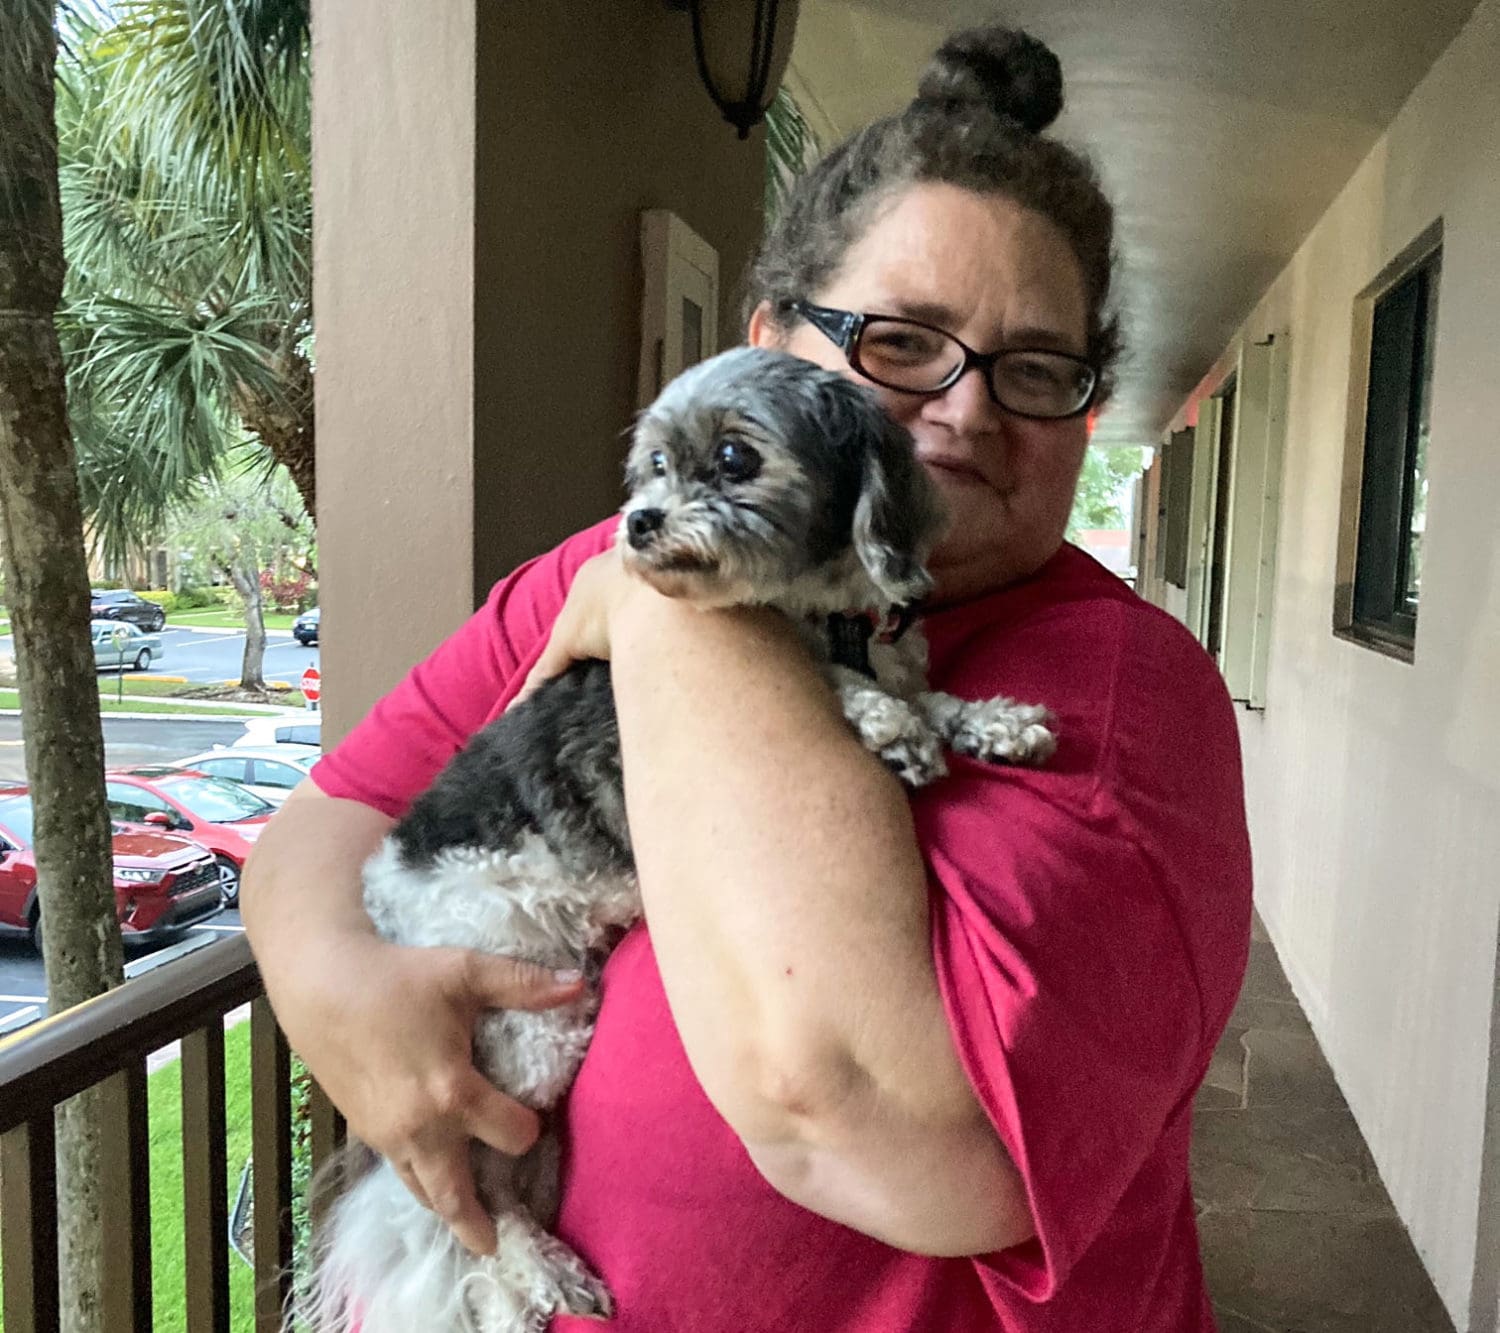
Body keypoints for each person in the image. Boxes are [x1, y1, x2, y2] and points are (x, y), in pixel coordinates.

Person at [243, 22, 1252, 1332]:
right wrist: (341, 993)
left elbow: (870, 1122)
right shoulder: (590, 572)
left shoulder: (1120, 693)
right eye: (901, 341)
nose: (967, 409)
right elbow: (323, 823)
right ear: (771, 341)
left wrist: (661, 606)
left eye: (1038, 369)